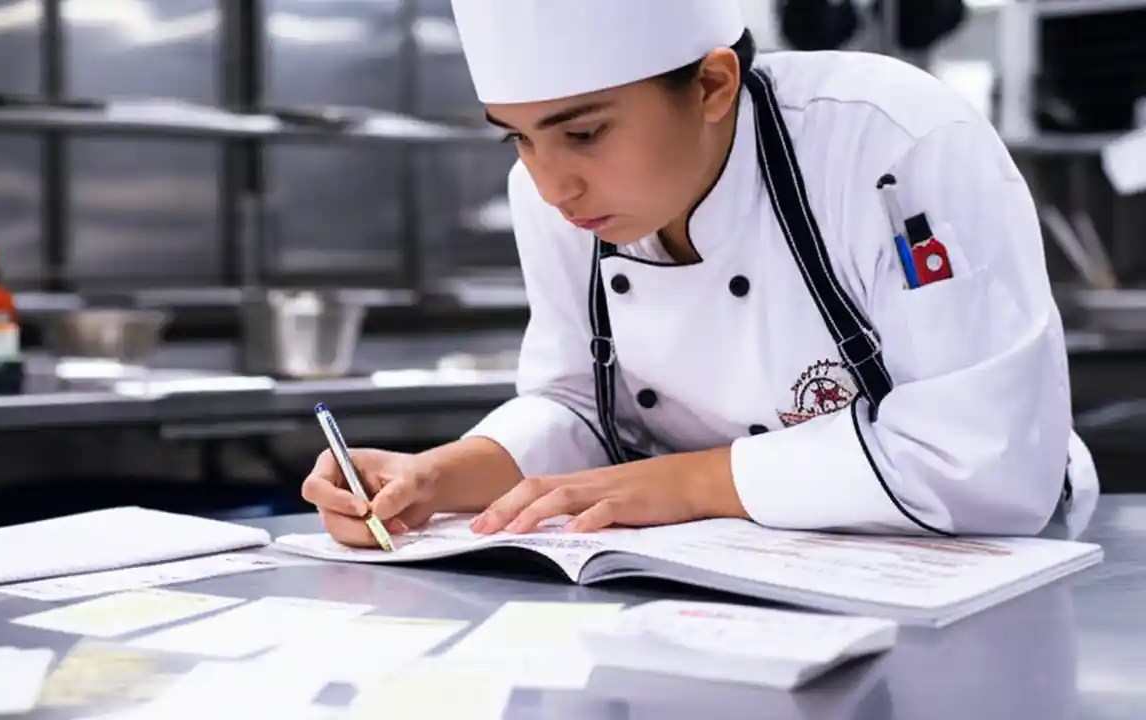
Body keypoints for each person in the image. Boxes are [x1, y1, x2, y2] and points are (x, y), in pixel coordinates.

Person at [301, 1, 1098, 547]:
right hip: (713, 579)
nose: (551, 185)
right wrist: (438, 477)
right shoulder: (550, 197)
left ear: (713, 84)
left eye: (582, 132)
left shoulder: (890, 141)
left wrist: (682, 485)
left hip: (951, 576)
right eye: (515, 138)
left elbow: (984, 463)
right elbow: (580, 404)